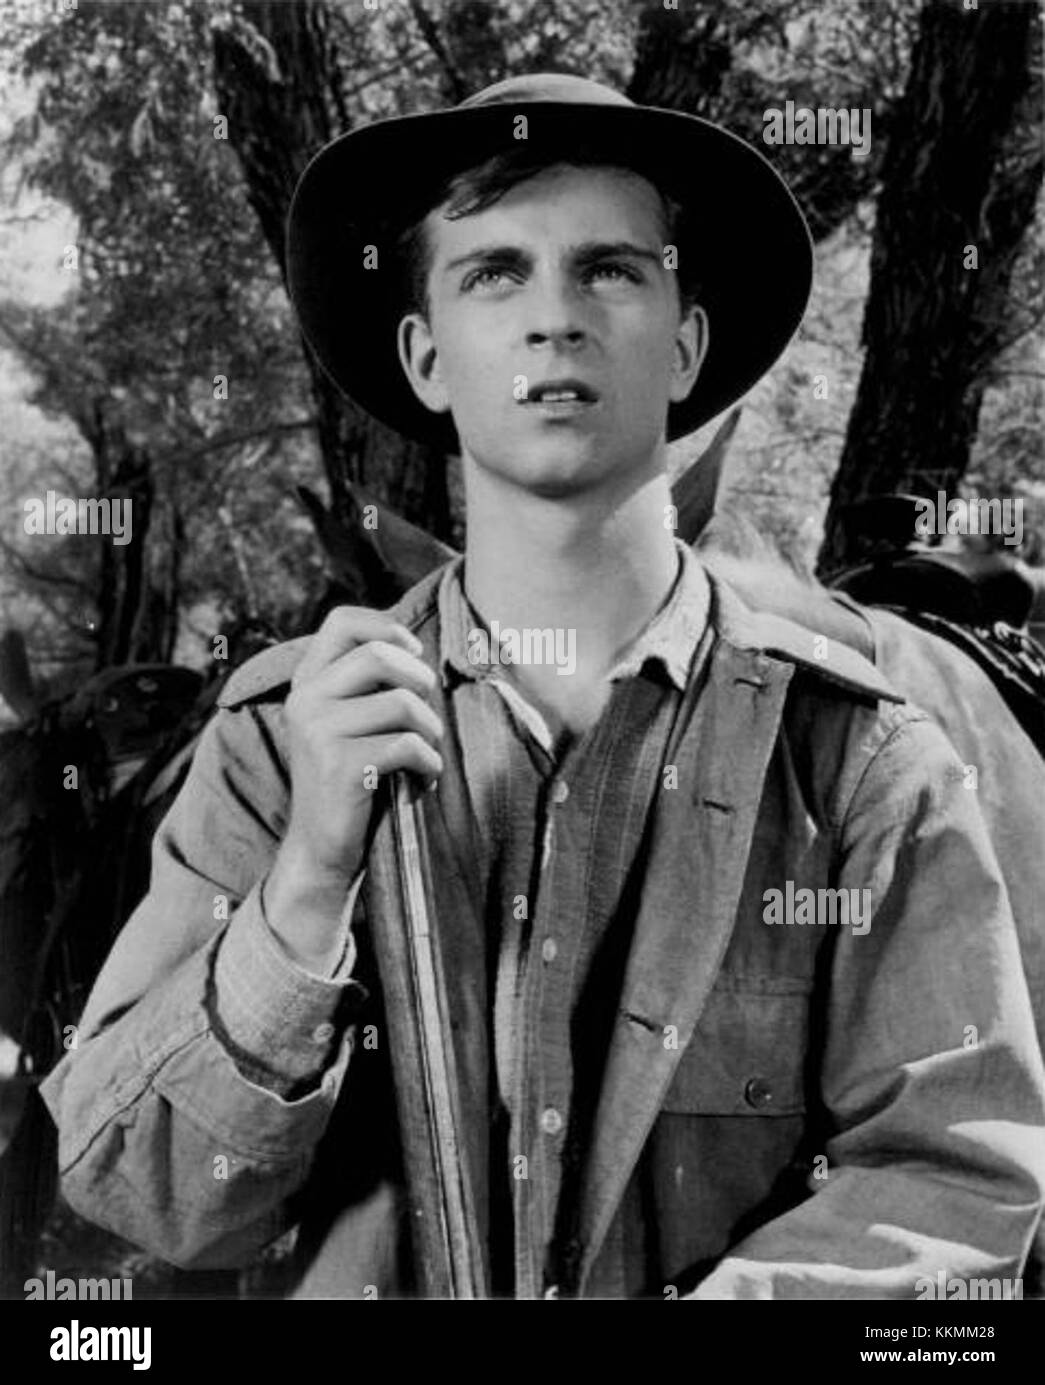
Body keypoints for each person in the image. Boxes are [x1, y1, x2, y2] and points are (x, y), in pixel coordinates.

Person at [42, 74, 1045, 1300]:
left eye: (611, 270)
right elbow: (138, 1187)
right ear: (425, 357)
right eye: (494, 273)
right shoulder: (274, 748)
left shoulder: (859, 765)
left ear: (685, 346)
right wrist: (306, 881)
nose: (553, 320)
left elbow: (954, 1180)